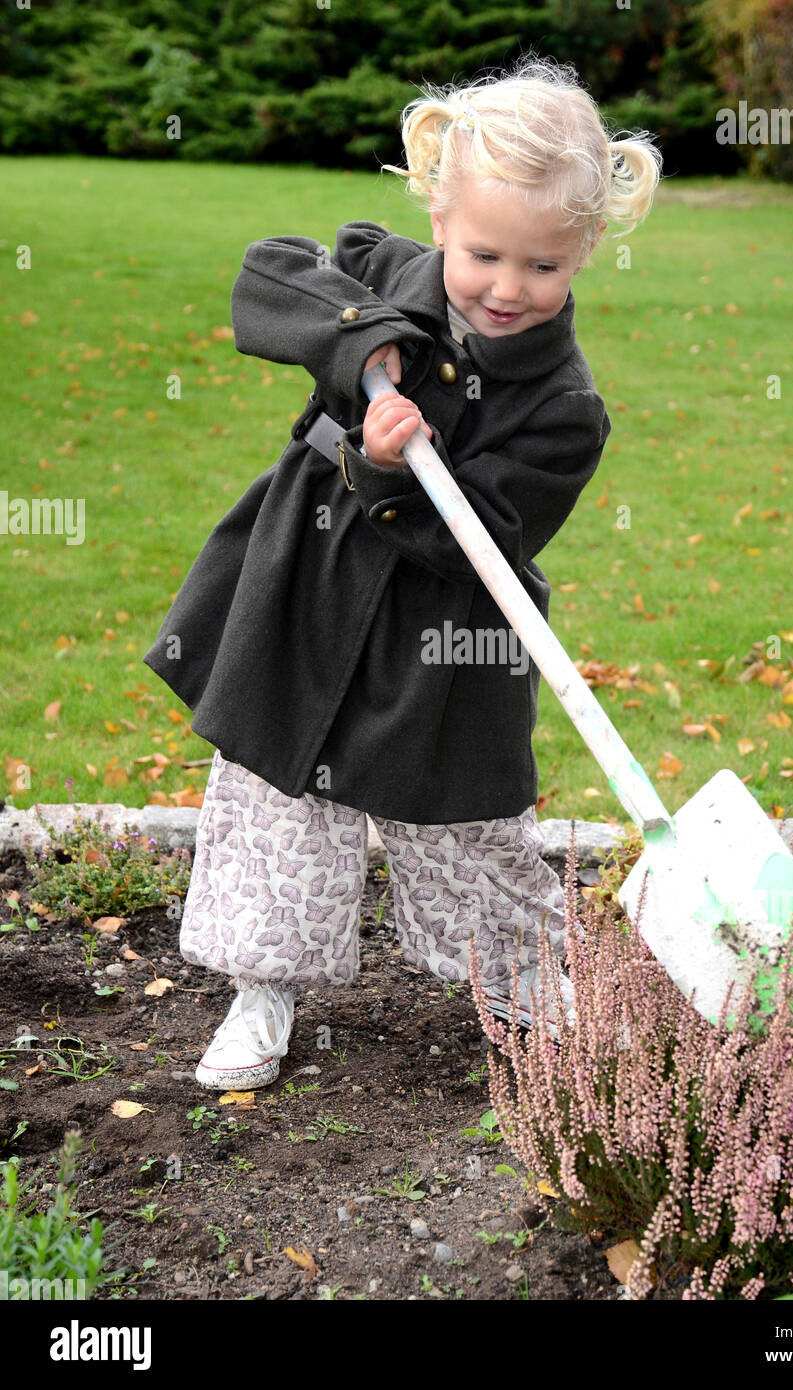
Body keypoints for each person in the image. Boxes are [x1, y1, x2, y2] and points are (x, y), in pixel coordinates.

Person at [142, 55, 661, 1090]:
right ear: (437, 216)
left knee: (465, 825)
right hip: (306, 593)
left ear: (586, 248)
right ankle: (262, 991)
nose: (508, 288)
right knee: (276, 803)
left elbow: (468, 536)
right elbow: (271, 274)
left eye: (542, 266)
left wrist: (392, 470)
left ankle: (531, 988)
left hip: (440, 638)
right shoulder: (384, 273)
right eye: (483, 255)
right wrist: (364, 340)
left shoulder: (563, 409)